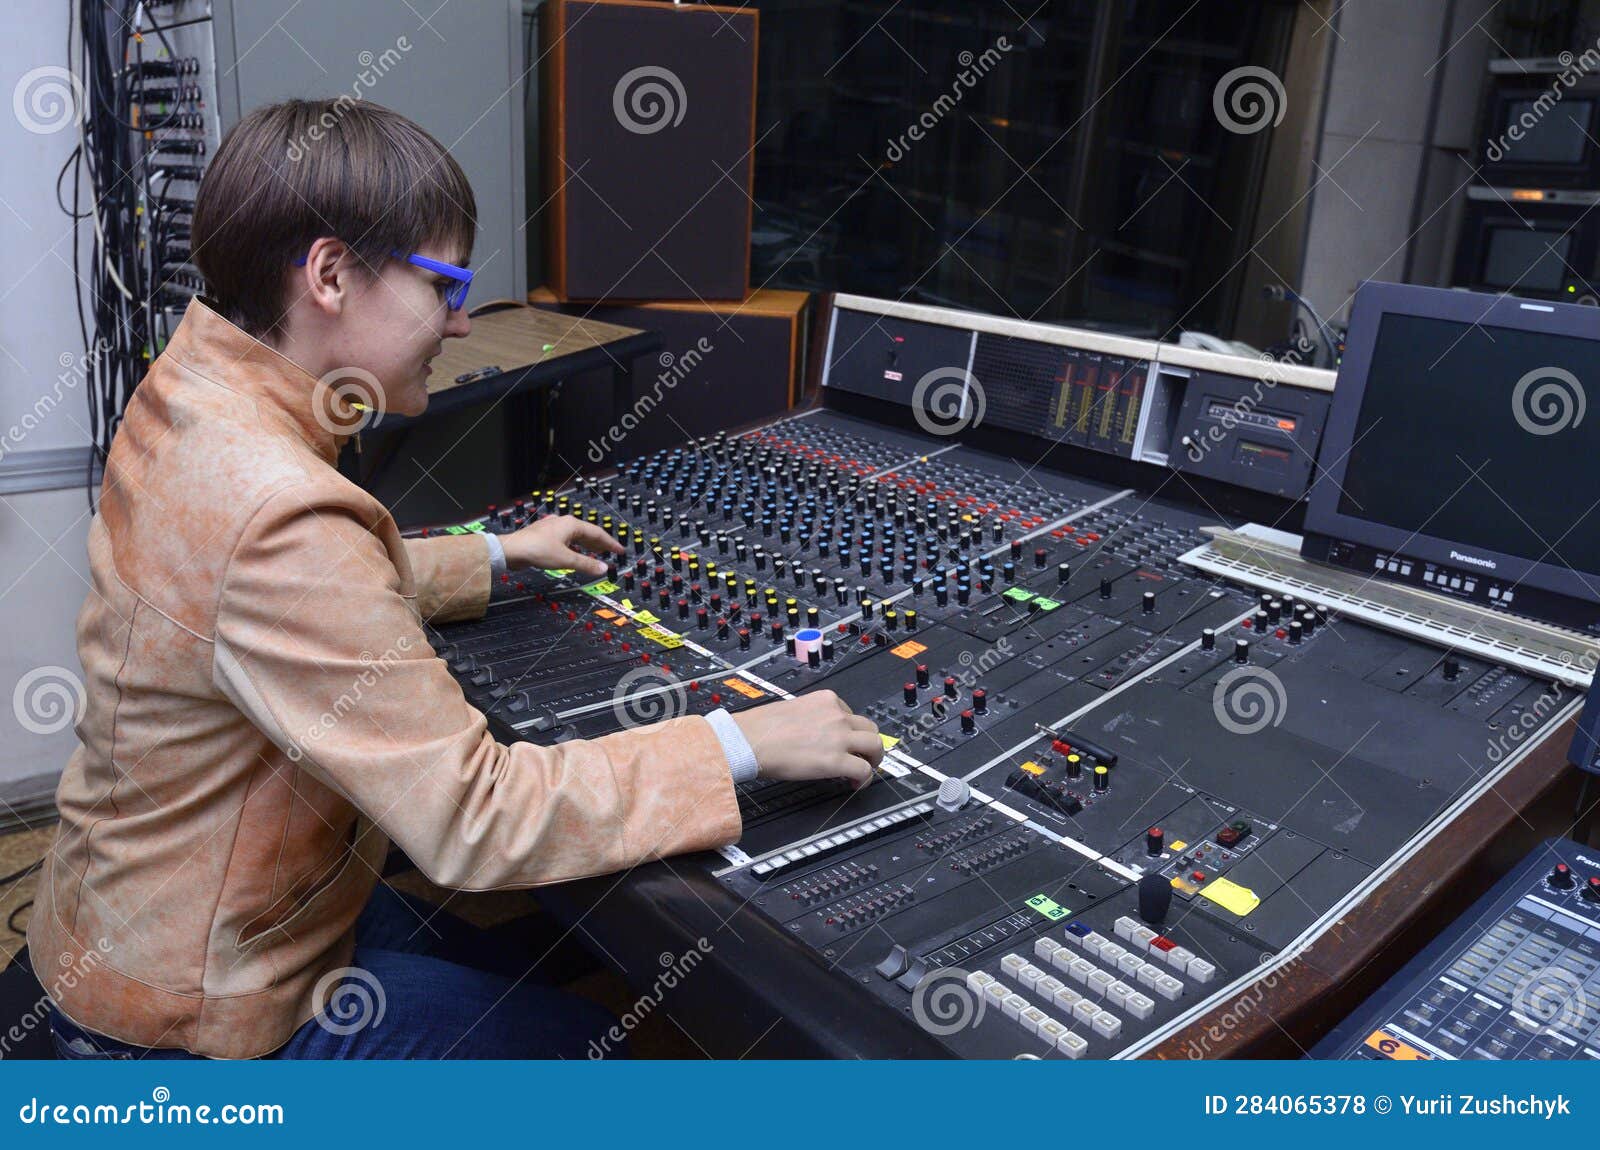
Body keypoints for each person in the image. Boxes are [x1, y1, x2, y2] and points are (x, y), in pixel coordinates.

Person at [31, 99, 884, 1060]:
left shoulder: (191, 395)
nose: (464, 318)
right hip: (189, 1014)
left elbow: (244, 593)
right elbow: (475, 821)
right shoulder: (278, 512)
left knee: (530, 957)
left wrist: (492, 554)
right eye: (444, 284)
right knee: (618, 1054)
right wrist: (740, 740)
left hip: (138, 917)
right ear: (330, 275)